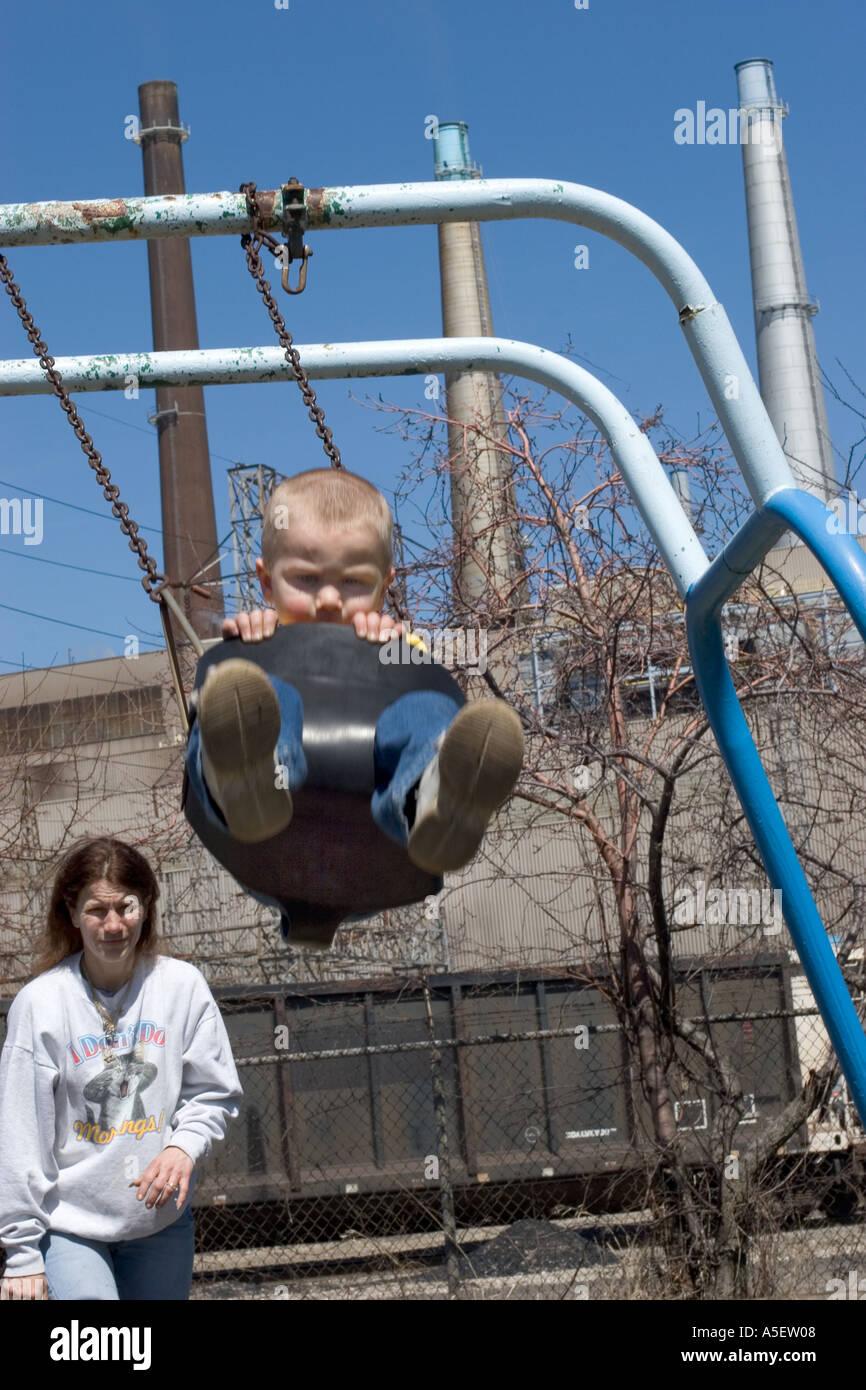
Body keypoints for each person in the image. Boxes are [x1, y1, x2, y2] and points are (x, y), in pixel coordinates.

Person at [184, 469, 524, 935]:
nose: (328, 600)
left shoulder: (394, 645)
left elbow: (425, 678)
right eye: (304, 579)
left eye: (353, 583)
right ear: (266, 582)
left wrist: (403, 649)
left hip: (383, 848)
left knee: (422, 707)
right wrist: (244, 648)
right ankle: (249, 779)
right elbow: (228, 680)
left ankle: (435, 800)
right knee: (248, 690)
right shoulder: (257, 640)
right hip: (262, 840)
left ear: (385, 586)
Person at [0, 837, 242, 1301]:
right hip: (70, 1224)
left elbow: (214, 1092)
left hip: (158, 1221)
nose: (113, 925)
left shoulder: (182, 987)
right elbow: (19, 1134)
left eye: (126, 907)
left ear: (146, 907)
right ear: (71, 913)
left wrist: (183, 1147)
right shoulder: (41, 1004)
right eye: (96, 910)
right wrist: (23, 1252)